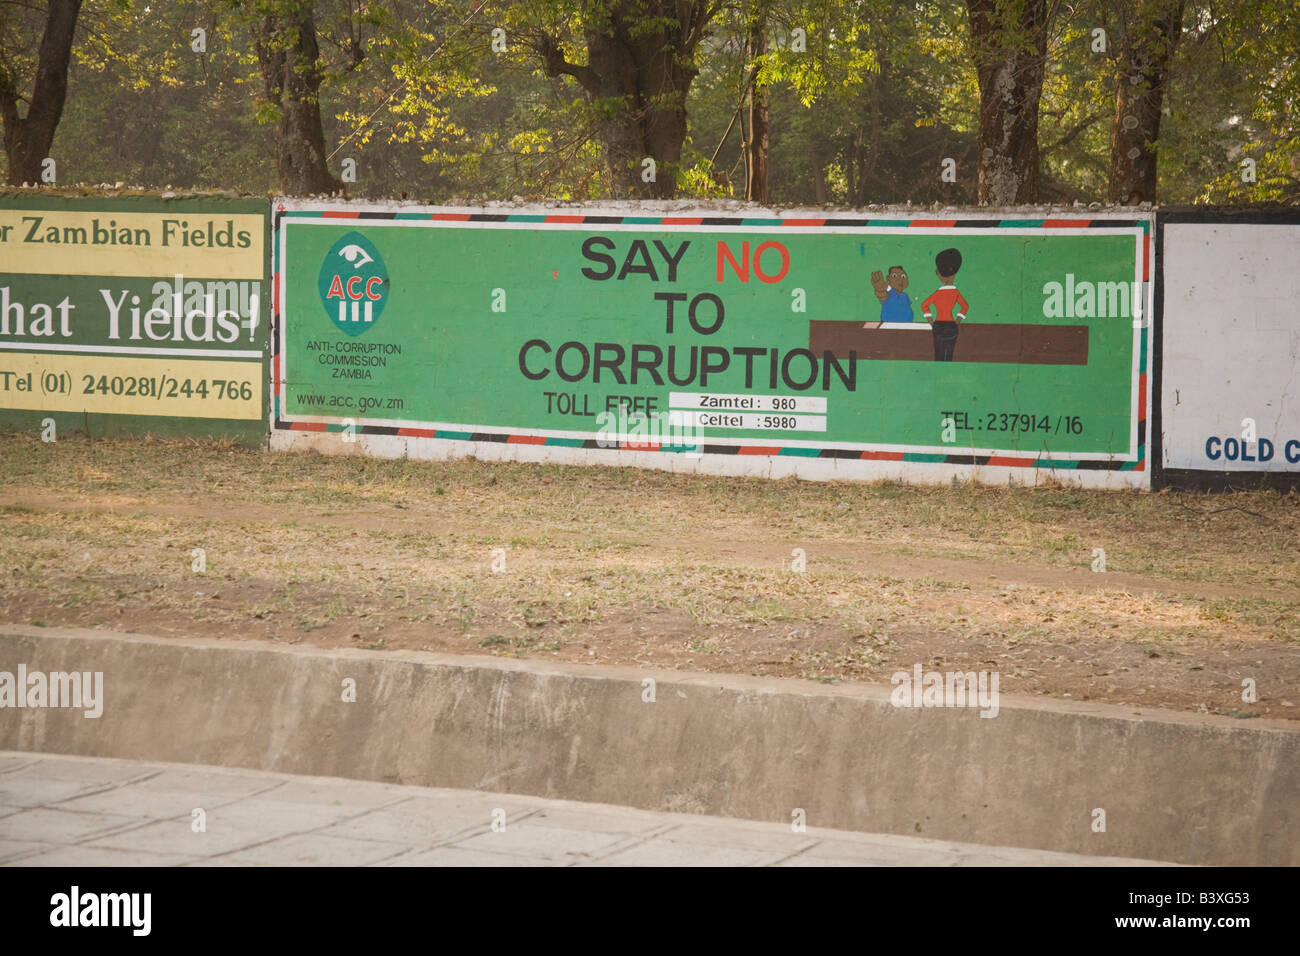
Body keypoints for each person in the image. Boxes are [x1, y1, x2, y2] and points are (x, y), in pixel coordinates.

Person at [919, 248, 968, 362]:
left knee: (939, 354)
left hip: (939, 325)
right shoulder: (955, 293)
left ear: (938, 273)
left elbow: (924, 305)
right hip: (951, 325)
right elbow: (965, 306)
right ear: (955, 273)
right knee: (949, 353)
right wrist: (957, 321)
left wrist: (932, 322)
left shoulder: (938, 294)